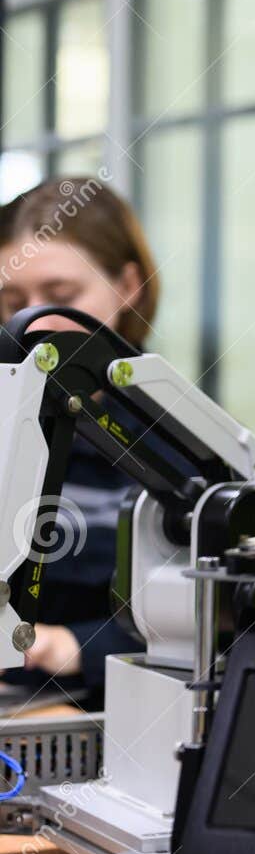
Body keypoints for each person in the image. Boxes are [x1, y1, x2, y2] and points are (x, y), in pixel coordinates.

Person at [0, 177, 158, 707]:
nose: (35, 320)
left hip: (110, 712)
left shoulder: (176, 436)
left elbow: (218, 617)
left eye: (63, 296)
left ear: (127, 286)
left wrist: (72, 646)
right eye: (12, 301)